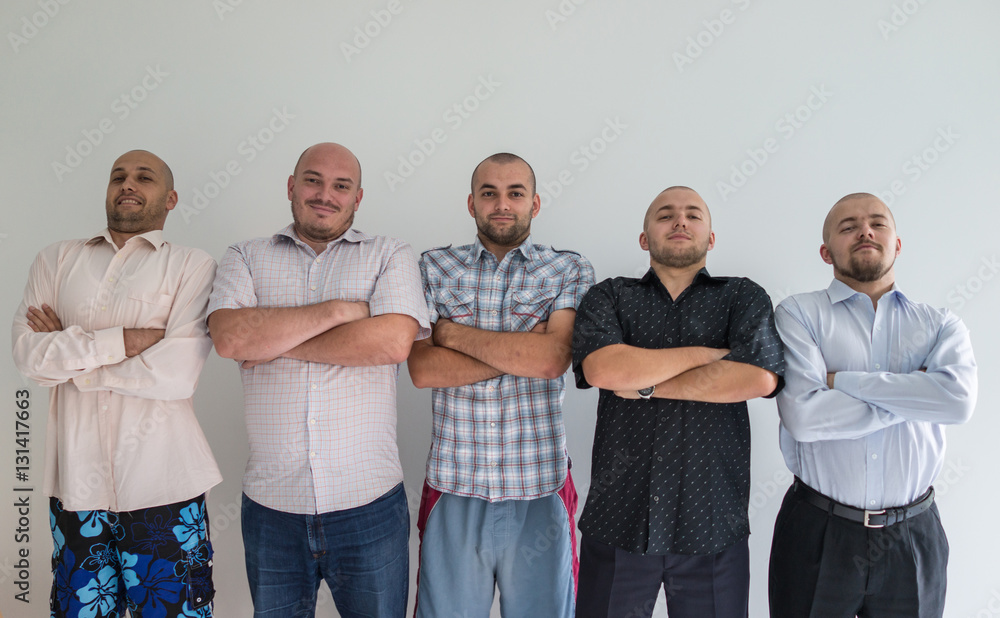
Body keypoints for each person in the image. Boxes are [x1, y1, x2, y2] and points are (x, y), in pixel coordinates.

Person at [206, 142, 429, 618]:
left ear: (357, 197)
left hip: (369, 505)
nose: (325, 195)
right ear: (291, 186)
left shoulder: (389, 254)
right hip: (271, 509)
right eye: (313, 180)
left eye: (341, 186)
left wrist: (273, 342)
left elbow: (393, 343)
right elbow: (229, 338)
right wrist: (340, 312)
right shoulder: (245, 255)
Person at [11, 150, 221, 618]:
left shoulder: (192, 265)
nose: (128, 184)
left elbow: (176, 374)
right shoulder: (56, 259)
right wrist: (127, 340)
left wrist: (71, 357)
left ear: (170, 199)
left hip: (166, 490)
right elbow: (28, 358)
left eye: (144, 177)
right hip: (75, 490)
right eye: (118, 176)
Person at [571, 186, 784, 618]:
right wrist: (710, 357)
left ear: (711, 237)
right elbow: (603, 370)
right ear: (644, 237)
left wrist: (647, 385)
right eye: (665, 215)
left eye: (693, 215)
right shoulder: (609, 296)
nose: (680, 221)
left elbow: (758, 377)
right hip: (618, 523)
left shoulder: (742, 297)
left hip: (713, 528)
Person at [768, 193, 977, 617]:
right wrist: (918, 395)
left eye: (877, 223)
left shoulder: (940, 324)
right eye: (848, 227)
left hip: (913, 536)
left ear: (897, 244)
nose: (865, 231)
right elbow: (804, 418)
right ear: (826, 252)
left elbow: (956, 403)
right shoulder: (799, 314)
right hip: (816, 530)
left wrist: (840, 382)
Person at [407, 152, 595, 617]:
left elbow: (552, 360)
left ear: (535, 203)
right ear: (471, 203)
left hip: (541, 487)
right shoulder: (433, 267)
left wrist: (452, 334)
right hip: (454, 485)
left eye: (515, 193)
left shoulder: (567, 269)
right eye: (489, 193)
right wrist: (522, 350)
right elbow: (423, 369)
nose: (502, 204)